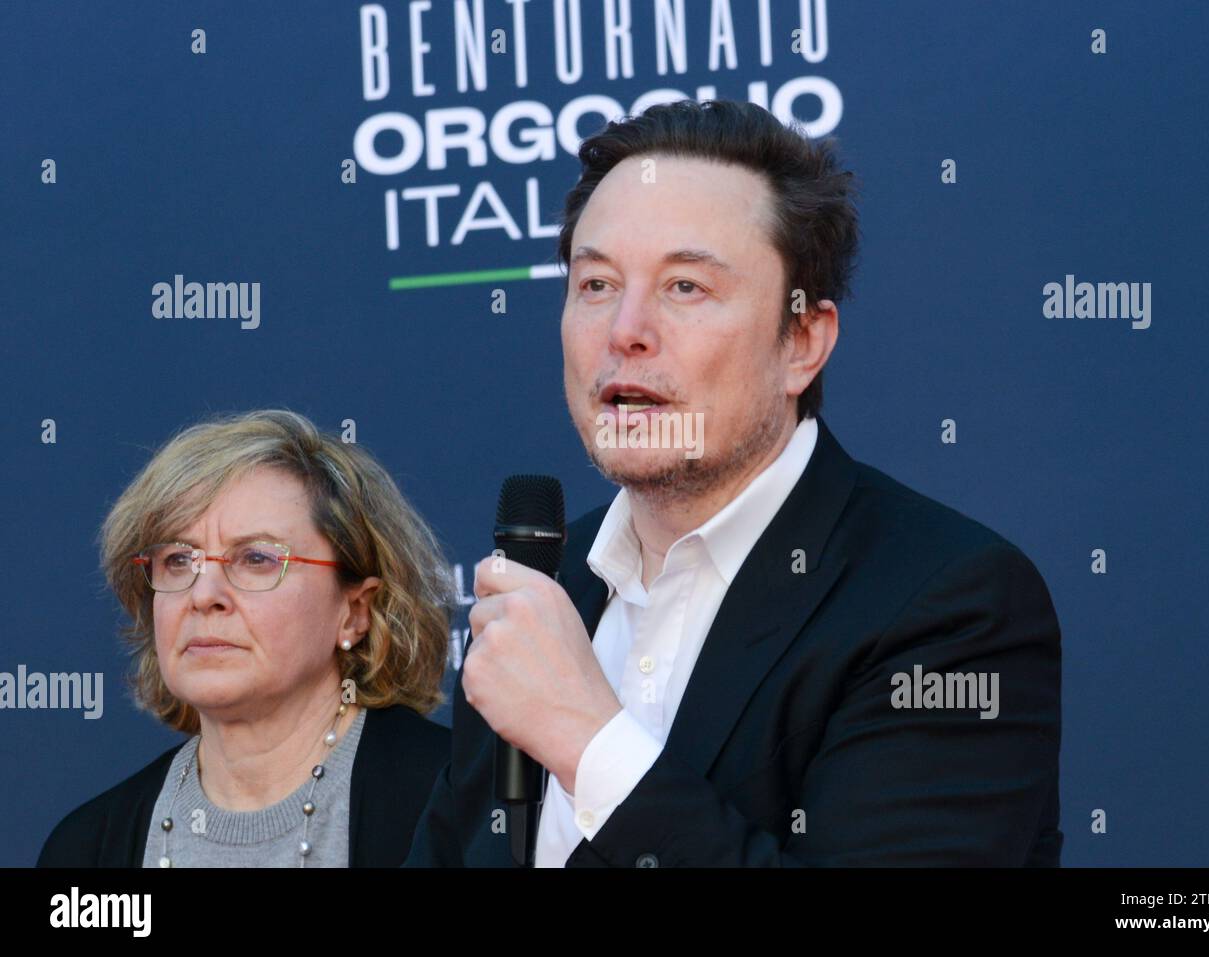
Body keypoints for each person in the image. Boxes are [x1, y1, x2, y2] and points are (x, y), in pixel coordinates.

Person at [404, 99, 1063, 867]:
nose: (625, 330)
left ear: (803, 342)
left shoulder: (949, 604)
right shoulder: (545, 587)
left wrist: (588, 738)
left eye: (685, 287)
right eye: (595, 285)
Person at [38, 409, 455, 867]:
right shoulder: (86, 850)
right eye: (179, 560)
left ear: (354, 612)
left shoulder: (459, 807)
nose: (203, 595)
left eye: (256, 559)